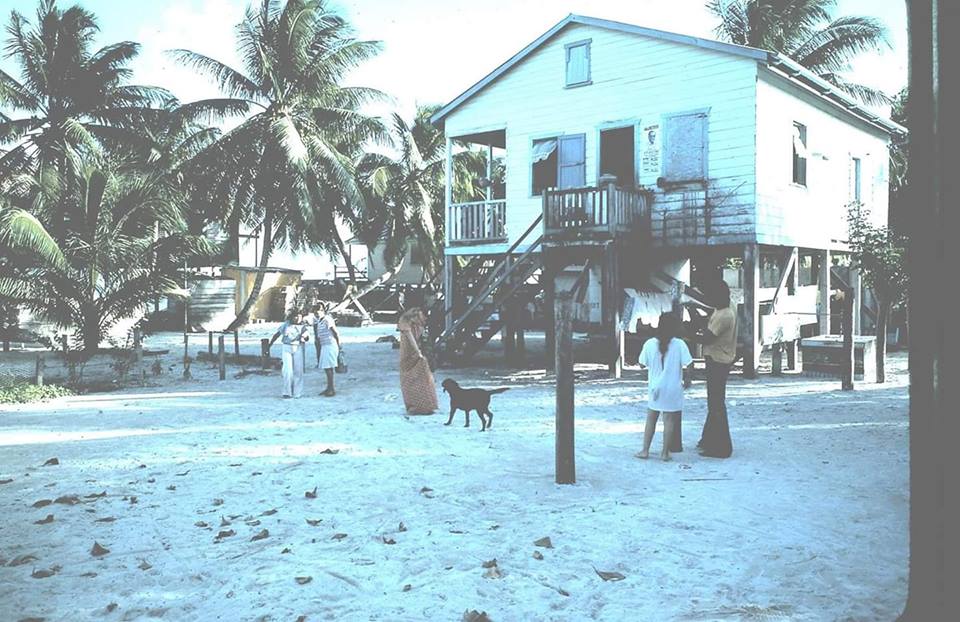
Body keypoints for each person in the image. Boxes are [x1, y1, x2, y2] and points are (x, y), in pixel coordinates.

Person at [636, 312, 693, 461]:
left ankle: (645, 450)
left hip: (655, 387)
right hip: (673, 387)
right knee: (669, 421)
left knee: (651, 419)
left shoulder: (649, 344)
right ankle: (665, 453)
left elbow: (642, 363)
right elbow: (688, 364)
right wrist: (687, 379)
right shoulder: (680, 344)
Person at [691, 279, 738, 458]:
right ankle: (708, 439)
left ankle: (722, 447)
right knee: (714, 403)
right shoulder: (725, 306)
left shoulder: (726, 314)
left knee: (717, 404)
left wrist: (685, 334)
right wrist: (694, 310)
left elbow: (707, 338)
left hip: (718, 361)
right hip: (718, 358)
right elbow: (710, 318)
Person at [397, 307, 438, 414]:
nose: (423, 321)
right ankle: (415, 406)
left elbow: (424, 338)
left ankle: (427, 405)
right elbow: (411, 340)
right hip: (408, 354)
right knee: (410, 380)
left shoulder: (419, 324)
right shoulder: (405, 322)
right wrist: (418, 352)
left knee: (424, 379)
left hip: (418, 353)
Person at [270, 309, 309, 399]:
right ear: (292, 317)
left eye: (299, 316)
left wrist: (304, 338)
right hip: (286, 347)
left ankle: (297, 392)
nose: (297, 318)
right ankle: (287, 392)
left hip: (298, 348)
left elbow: (307, 337)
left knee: (298, 371)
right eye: (295, 316)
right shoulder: (286, 325)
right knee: (287, 370)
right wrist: (270, 344)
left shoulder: (303, 327)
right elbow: (277, 334)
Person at [313, 302, 340, 397]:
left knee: (329, 368)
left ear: (323, 311)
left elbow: (335, 333)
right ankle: (329, 387)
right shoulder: (319, 320)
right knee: (326, 367)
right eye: (315, 312)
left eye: (319, 311)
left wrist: (338, 345)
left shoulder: (327, 319)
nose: (317, 313)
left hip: (330, 344)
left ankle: (331, 389)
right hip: (324, 345)